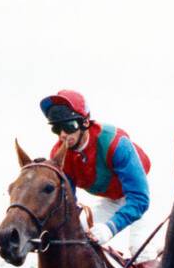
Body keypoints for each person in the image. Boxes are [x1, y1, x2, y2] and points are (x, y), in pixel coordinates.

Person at [40, 89, 151, 258]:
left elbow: (140, 199)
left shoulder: (116, 143)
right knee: (75, 238)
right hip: (110, 199)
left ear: (85, 123)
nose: (62, 135)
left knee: (140, 252)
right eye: (56, 128)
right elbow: (69, 204)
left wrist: (110, 227)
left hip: (141, 195)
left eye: (69, 127)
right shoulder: (59, 154)